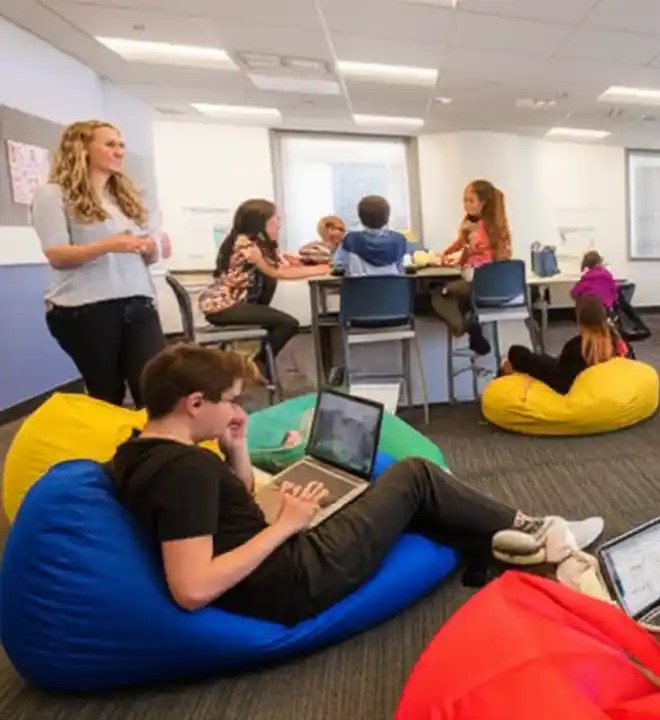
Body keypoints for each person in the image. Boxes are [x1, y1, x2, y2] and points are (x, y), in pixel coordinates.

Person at [108, 345, 604, 626]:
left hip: (282, 553)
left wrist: (235, 450)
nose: (240, 412)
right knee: (415, 474)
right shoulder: (183, 473)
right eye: (232, 402)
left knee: (391, 491)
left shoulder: (140, 452)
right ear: (195, 404)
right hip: (298, 576)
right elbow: (192, 590)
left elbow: (229, 507)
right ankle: (538, 532)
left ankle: (505, 549)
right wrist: (287, 526)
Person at [32, 119, 166, 407]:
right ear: (82, 148)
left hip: (138, 302)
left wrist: (150, 247)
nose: (119, 152)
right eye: (110, 144)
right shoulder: (53, 195)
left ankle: (152, 450)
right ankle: (109, 450)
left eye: (121, 145)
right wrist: (109, 245)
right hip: (86, 308)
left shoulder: (121, 200)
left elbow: (148, 256)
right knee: (107, 394)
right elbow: (57, 254)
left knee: (155, 388)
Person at [199, 199, 329, 370]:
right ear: (260, 224)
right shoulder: (247, 246)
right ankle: (257, 367)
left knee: (280, 322)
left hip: (230, 304)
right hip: (224, 306)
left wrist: (313, 260)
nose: (279, 225)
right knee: (288, 324)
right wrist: (323, 269)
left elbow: (284, 263)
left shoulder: (259, 244)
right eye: (275, 220)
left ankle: (254, 365)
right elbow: (278, 272)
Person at [431, 179, 512, 355]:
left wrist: (452, 260)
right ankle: (472, 322)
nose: (466, 205)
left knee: (440, 292)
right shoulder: (500, 225)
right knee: (465, 298)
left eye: (470, 200)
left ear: (483, 203)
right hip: (496, 286)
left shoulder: (476, 229)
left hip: (476, 280)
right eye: (464, 200)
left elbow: (468, 250)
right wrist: (449, 254)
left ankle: (462, 326)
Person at [503, 295, 632, 395]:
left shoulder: (576, 347)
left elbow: (560, 382)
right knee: (543, 358)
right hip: (575, 374)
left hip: (562, 379)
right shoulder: (618, 342)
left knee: (518, 352)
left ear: (579, 319)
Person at [332, 195, 408, 277]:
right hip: (394, 289)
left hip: (360, 289)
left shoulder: (351, 240)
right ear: (387, 217)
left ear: (360, 218)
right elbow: (402, 268)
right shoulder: (399, 240)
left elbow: (338, 265)